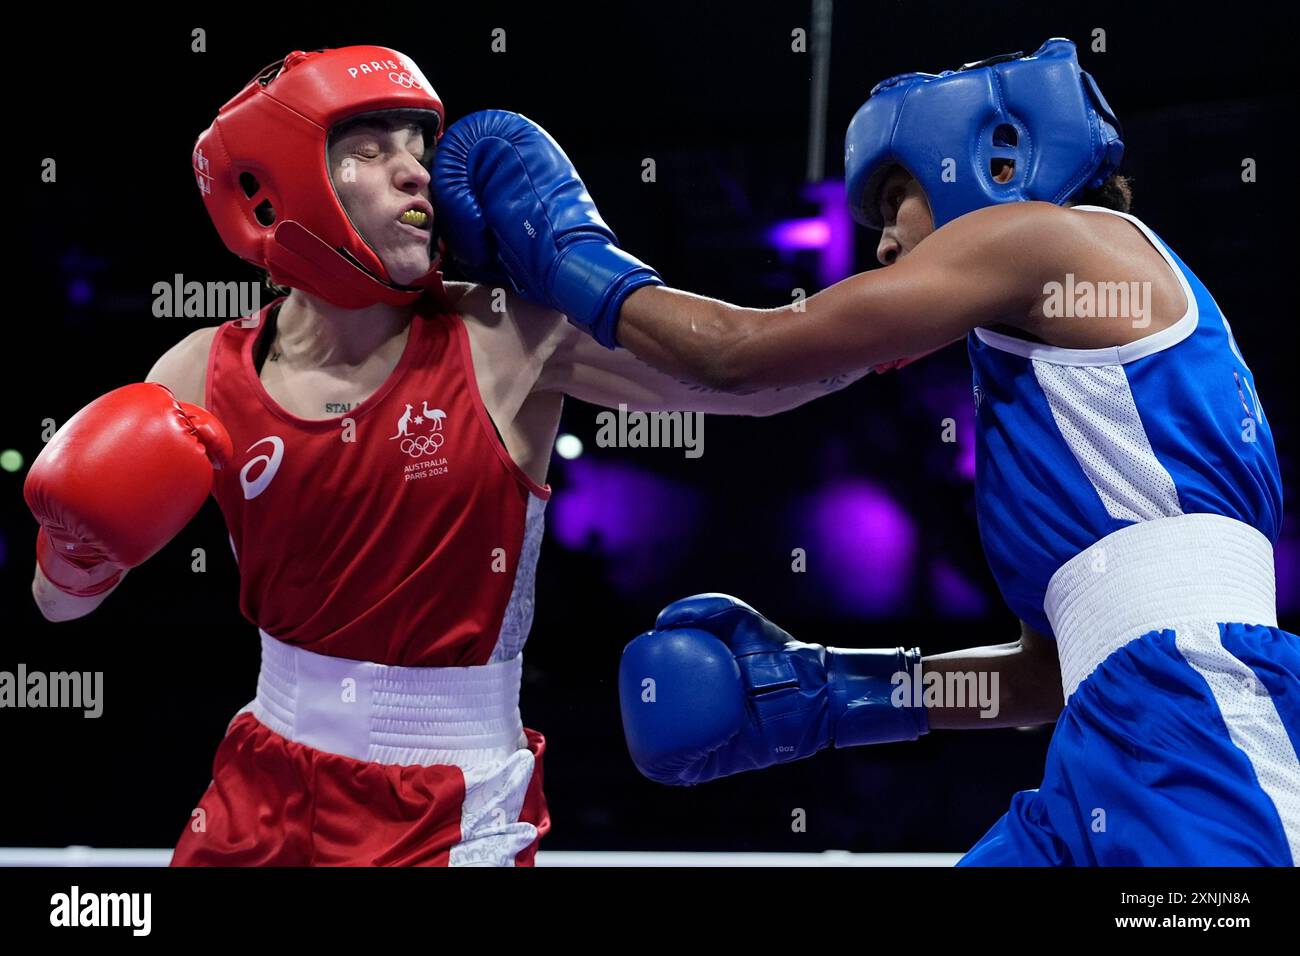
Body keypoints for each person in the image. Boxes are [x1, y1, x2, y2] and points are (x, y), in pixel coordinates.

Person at [433, 38, 1299, 865]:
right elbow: (1047, 676)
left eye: (896, 203)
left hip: (1198, 719)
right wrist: (831, 694)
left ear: (996, 160)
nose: (883, 242)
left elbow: (739, 353)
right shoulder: (1073, 359)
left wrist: (569, 255)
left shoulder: (1048, 237)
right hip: (1110, 736)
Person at [24, 44, 868, 866]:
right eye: (369, 149)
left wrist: (924, 305)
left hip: (447, 805)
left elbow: (759, 379)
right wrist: (77, 542)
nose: (416, 169)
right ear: (275, 191)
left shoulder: (508, 336)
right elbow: (57, 609)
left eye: (419, 147)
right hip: (260, 784)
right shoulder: (199, 370)